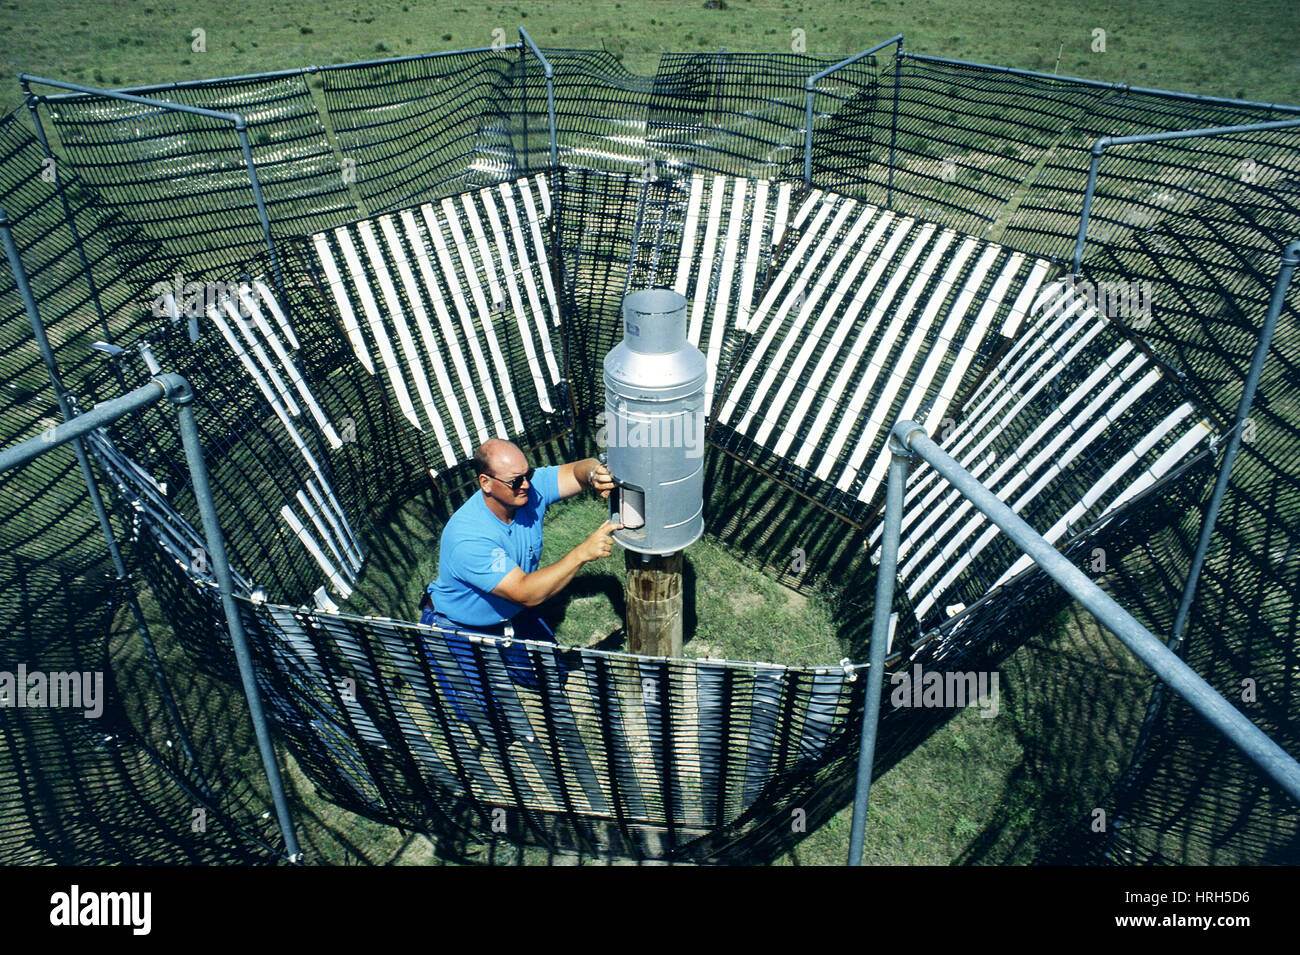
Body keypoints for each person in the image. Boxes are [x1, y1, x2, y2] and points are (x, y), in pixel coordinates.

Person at [419, 439, 618, 722]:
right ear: (486, 482)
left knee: (552, 675)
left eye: (529, 474)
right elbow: (526, 593)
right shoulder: (469, 536)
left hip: (508, 616)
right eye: (515, 481)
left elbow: (577, 472)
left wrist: (595, 473)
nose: (525, 484)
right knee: (485, 717)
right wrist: (581, 554)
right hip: (456, 629)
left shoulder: (527, 492)